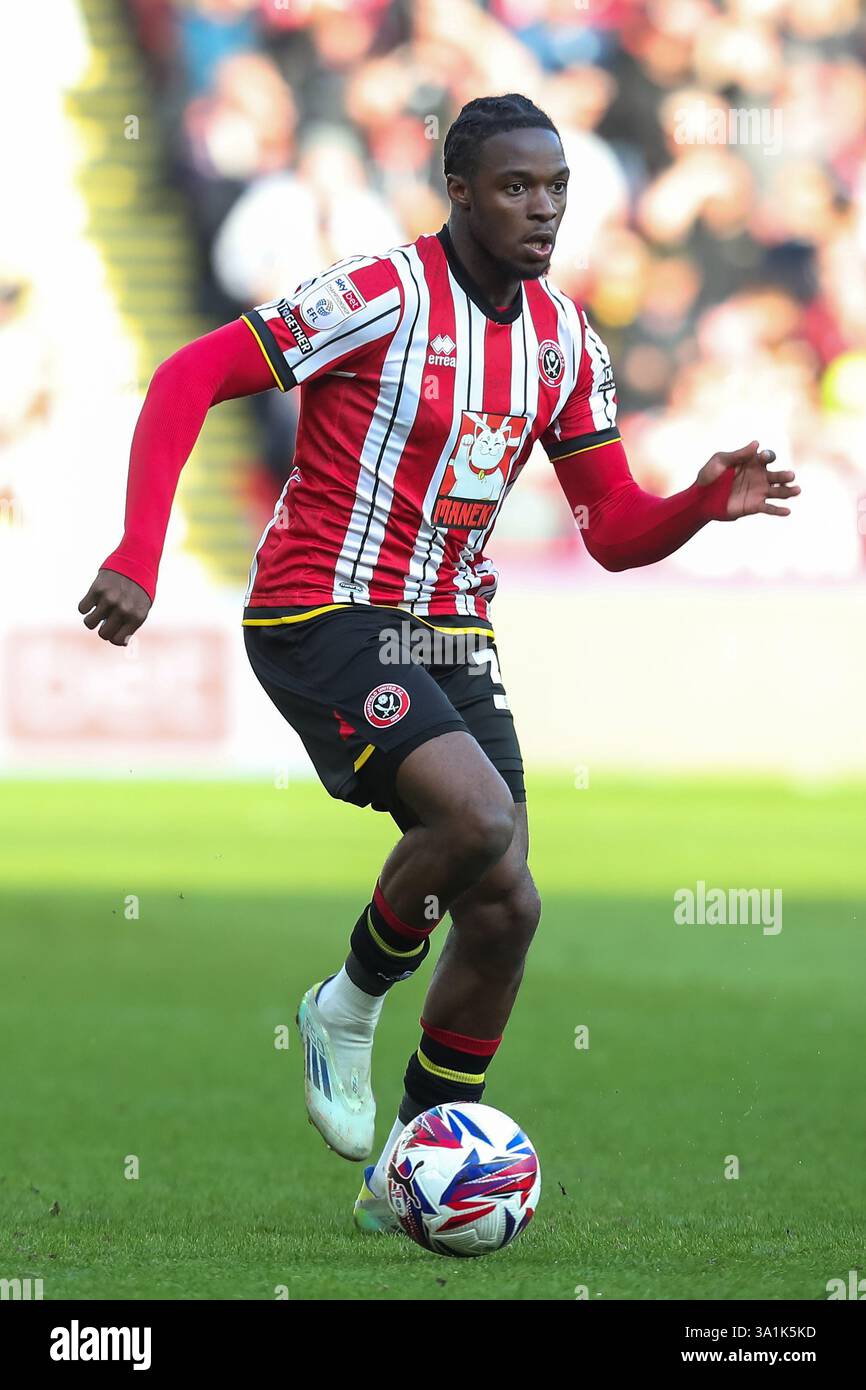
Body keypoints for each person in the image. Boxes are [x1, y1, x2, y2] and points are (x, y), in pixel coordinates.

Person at [78, 93, 800, 1233]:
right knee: (473, 821)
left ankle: (404, 1176)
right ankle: (347, 1002)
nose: (541, 209)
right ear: (456, 192)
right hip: (323, 605)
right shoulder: (374, 294)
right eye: (515, 187)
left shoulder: (565, 339)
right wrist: (137, 550)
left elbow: (609, 529)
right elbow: (187, 378)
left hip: (454, 629)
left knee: (506, 906)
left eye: (555, 188)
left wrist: (700, 504)